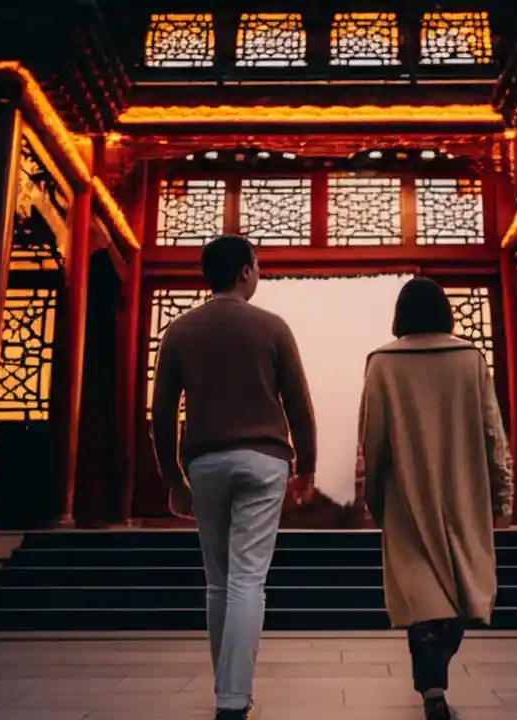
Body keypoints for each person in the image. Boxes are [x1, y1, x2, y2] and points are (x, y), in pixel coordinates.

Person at [151, 234, 317, 720]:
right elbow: (299, 405)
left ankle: (227, 689)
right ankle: (232, 696)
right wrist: (305, 468)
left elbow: (162, 413)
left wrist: (172, 478)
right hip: (264, 461)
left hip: (205, 463)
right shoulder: (273, 327)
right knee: (248, 579)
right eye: (257, 266)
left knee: (218, 581)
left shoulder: (179, 331)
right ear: (245, 271)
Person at [358, 277, 514, 720]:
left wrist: (374, 496)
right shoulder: (470, 359)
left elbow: (372, 438)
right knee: (460, 588)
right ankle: (433, 684)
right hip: (464, 491)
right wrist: (502, 494)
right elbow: (492, 431)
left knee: (422, 592)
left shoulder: (382, 363)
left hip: (406, 493)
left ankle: (431, 682)